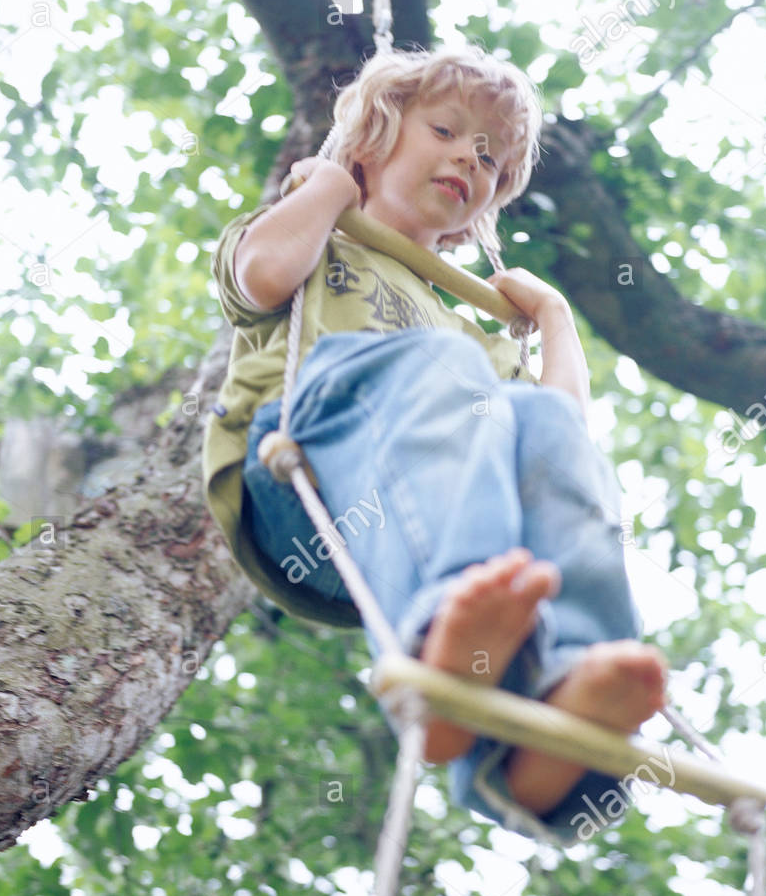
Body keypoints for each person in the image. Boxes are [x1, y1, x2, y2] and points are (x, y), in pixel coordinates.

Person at [203, 44, 668, 843]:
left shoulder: (464, 330)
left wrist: (554, 320)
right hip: (306, 479)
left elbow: (554, 450)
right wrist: (324, 186)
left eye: (487, 156)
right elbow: (265, 276)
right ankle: (448, 616)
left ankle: (557, 705)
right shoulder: (323, 236)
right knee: (442, 363)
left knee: (530, 418)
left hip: (411, 528)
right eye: (446, 130)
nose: (467, 156)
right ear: (374, 141)